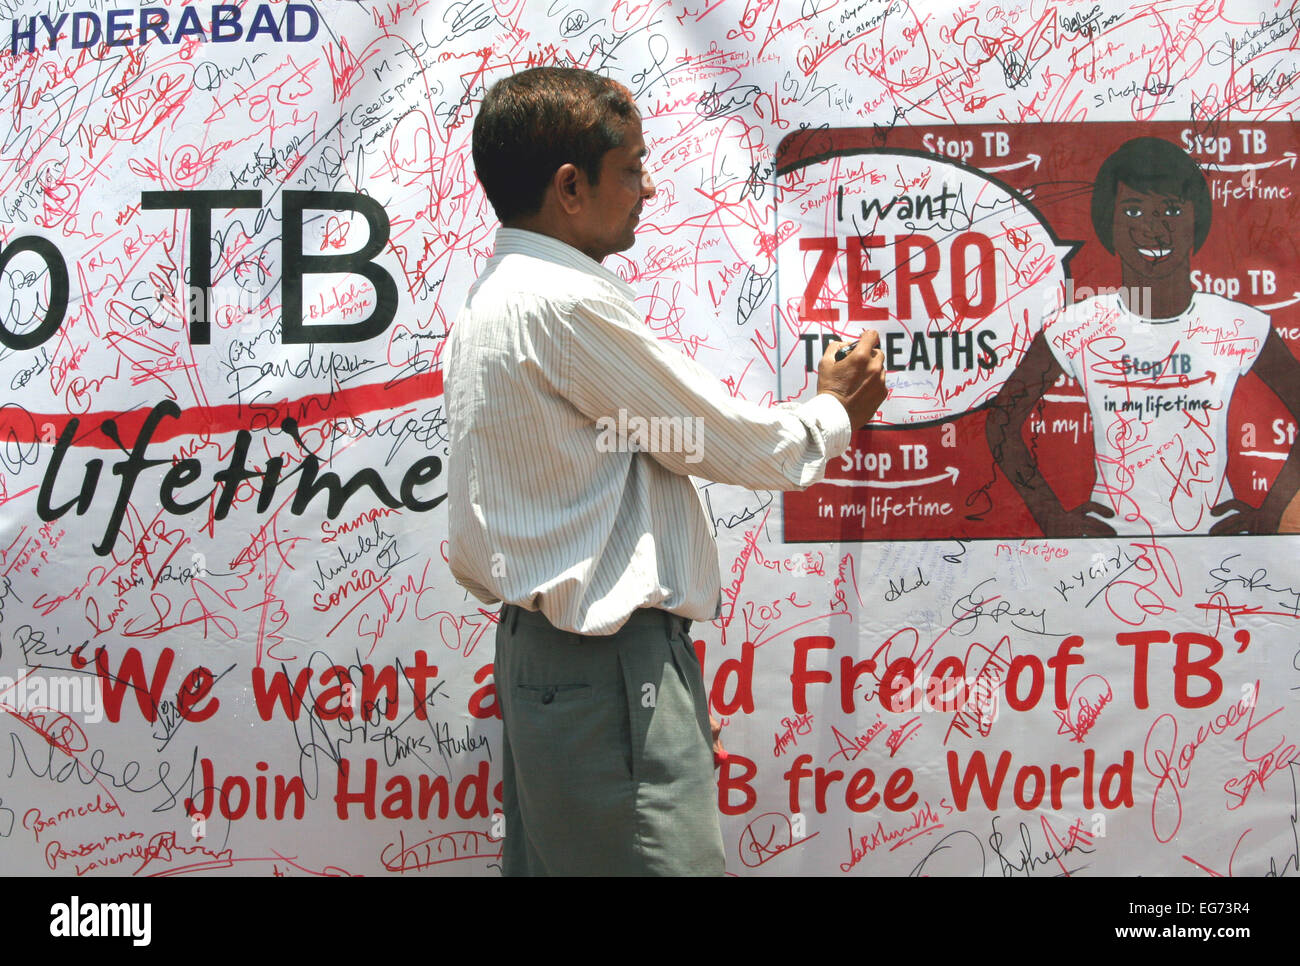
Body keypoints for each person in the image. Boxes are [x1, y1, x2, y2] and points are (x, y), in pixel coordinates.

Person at [445, 67, 886, 875]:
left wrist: (657, 691)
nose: (648, 188)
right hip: (601, 665)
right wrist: (833, 413)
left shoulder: (497, 297)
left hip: (566, 665)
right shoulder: (563, 305)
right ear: (570, 186)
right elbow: (714, 437)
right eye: (633, 169)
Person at [987, 136, 1300, 536]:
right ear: (1109, 224)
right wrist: (1050, 514)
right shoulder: (1074, 326)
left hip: (1216, 547)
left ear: (1196, 221)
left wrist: (1270, 513)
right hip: (1107, 549)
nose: (1153, 229)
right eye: (1133, 211)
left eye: (1171, 209)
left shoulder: (1238, 324)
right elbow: (1001, 423)